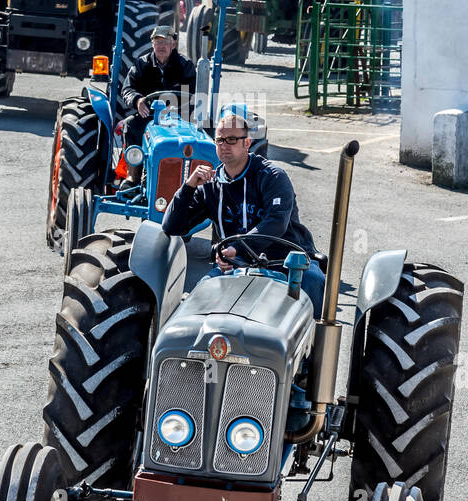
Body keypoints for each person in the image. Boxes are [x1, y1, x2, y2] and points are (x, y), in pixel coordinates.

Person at [162, 110, 326, 317]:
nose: (223, 145)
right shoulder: (211, 185)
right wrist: (188, 187)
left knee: (315, 282)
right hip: (236, 266)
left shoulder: (272, 176)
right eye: (219, 140)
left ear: (247, 143)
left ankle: (315, 347)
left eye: (231, 139)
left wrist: (237, 248)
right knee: (197, 299)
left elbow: (276, 222)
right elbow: (172, 227)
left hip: (287, 262)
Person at [120, 24, 197, 186]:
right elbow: (127, 88)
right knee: (130, 125)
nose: (161, 46)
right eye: (157, 41)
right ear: (152, 44)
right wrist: (137, 100)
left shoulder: (185, 66)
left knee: (202, 130)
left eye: (165, 42)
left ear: (173, 44)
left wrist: (177, 110)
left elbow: (192, 96)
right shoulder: (141, 64)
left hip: (178, 118)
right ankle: (133, 175)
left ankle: (190, 179)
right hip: (148, 116)